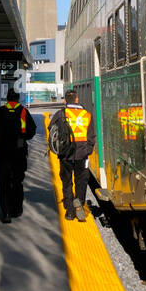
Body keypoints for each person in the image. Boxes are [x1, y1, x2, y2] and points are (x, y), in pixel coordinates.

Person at [0, 87, 36, 223]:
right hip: (19, 150)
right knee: (17, 181)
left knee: (4, 182)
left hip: (3, 151)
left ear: (7, 98)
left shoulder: (0, 111)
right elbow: (32, 130)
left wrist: (1, 140)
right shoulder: (23, 111)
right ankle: (17, 210)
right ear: (17, 98)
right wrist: (22, 138)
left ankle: (6, 213)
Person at [58, 90, 95, 222]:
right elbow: (91, 136)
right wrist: (88, 150)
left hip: (65, 154)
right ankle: (79, 202)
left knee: (67, 181)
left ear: (65, 101)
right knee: (81, 180)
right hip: (82, 154)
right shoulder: (87, 115)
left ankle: (69, 211)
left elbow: (52, 132)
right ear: (77, 99)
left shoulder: (61, 114)